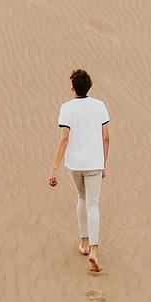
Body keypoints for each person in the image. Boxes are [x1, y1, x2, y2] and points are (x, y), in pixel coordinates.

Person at [48, 67, 110, 272]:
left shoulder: (67, 108)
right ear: (89, 86)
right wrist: (104, 163)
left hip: (75, 163)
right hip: (94, 162)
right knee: (93, 204)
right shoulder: (100, 106)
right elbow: (106, 137)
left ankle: (83, 242)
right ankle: (93, 249)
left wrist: (54, 167)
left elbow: (64, 137)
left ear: (72, 87)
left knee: (81, 199)